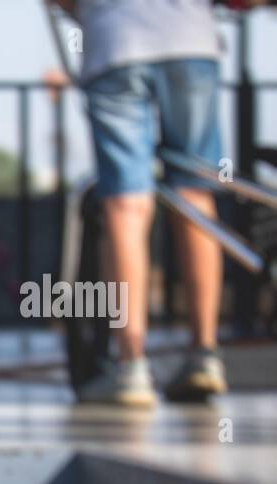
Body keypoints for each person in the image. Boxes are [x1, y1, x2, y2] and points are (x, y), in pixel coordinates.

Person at [50, 0, 255, 406]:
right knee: (194, 195)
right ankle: (204, 352)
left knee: (126, 205)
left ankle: (131, 365)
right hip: (189, 41)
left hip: (116, 42)